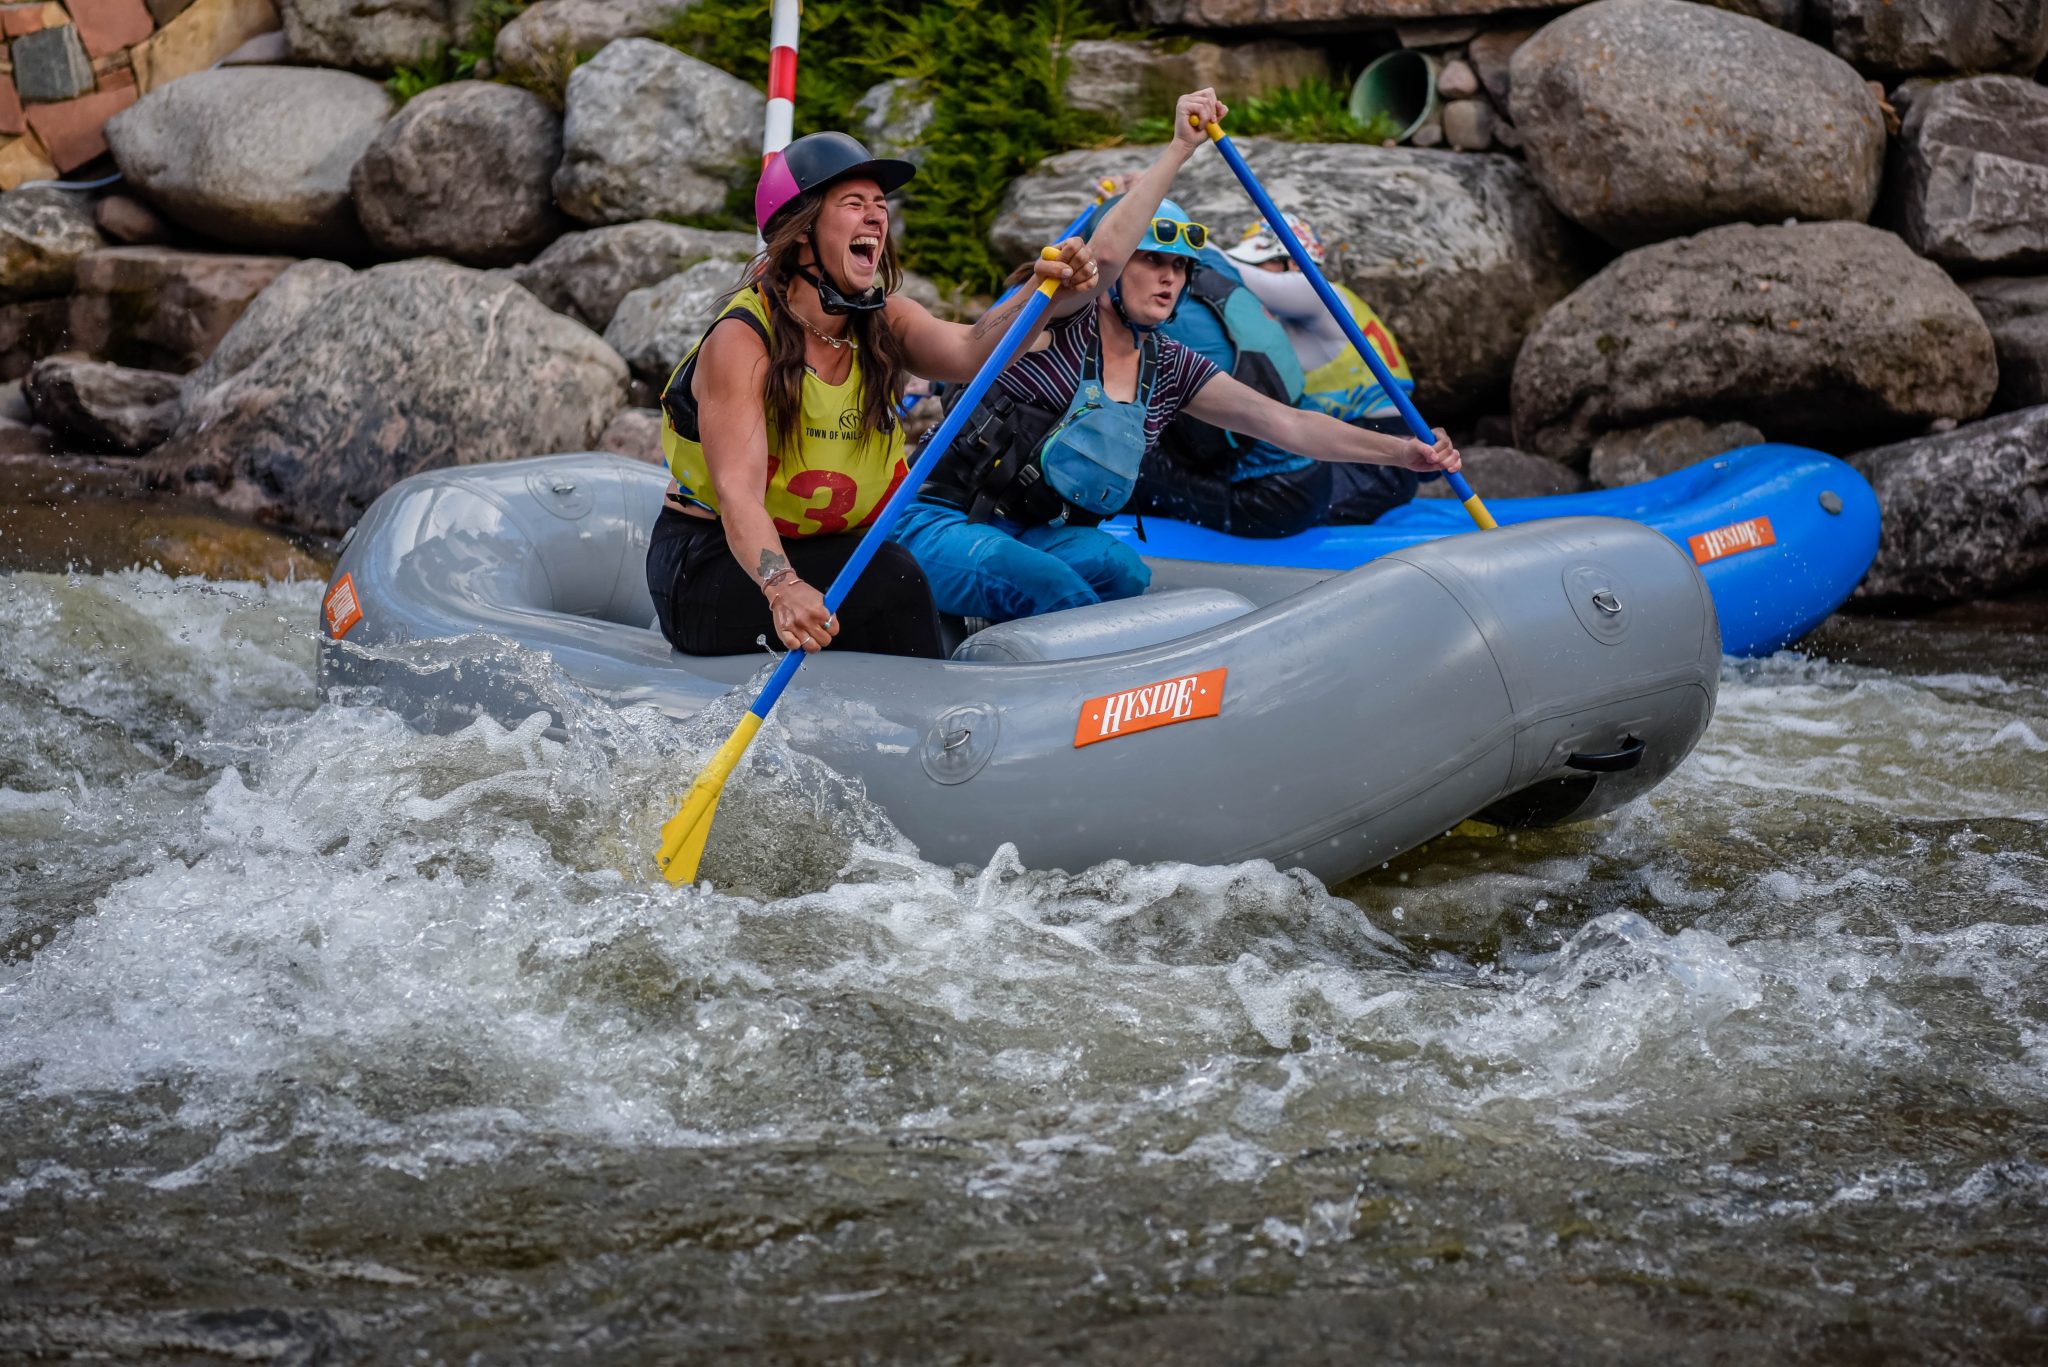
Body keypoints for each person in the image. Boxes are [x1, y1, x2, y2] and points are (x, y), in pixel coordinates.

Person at [893, 92, 1463, 625]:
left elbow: (1285, 423)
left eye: (1181, 267)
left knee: (1123, 571)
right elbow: (1107, 252)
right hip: (942, 522)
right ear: (1111, 277)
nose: (1169, 277)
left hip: (1030, 530)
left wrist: (1402, 453)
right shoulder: (1057, 319)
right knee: (1052, 588)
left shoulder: (1168, 366)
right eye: (1153, 262)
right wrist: (1181, 147)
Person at [647, 130, 1100, 659]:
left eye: (880, 206)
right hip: (707, 567)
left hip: (816, 551)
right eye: (854, 204)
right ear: (801, 231)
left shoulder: (881, 320)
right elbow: (737, 493)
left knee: (888, 568)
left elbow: (971, 350)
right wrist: (783, 587)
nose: (876, 217)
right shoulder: (743, 340)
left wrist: (1041, 293)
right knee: (892, 577)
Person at [1130, 225, 1332, 538]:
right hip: (1316, 473)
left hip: (1267, 499)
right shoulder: (1214, 265)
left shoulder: (1155, 321)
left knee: (1118, 454)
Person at [1225, 215, 1425, 525]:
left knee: (1264, 509)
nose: (1251, 271)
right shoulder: (1295, 321)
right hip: (1349, 450)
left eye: (1259, 263)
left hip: (1380, 465)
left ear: (1291, 265)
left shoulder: (1322, 296)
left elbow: (1231, 272)